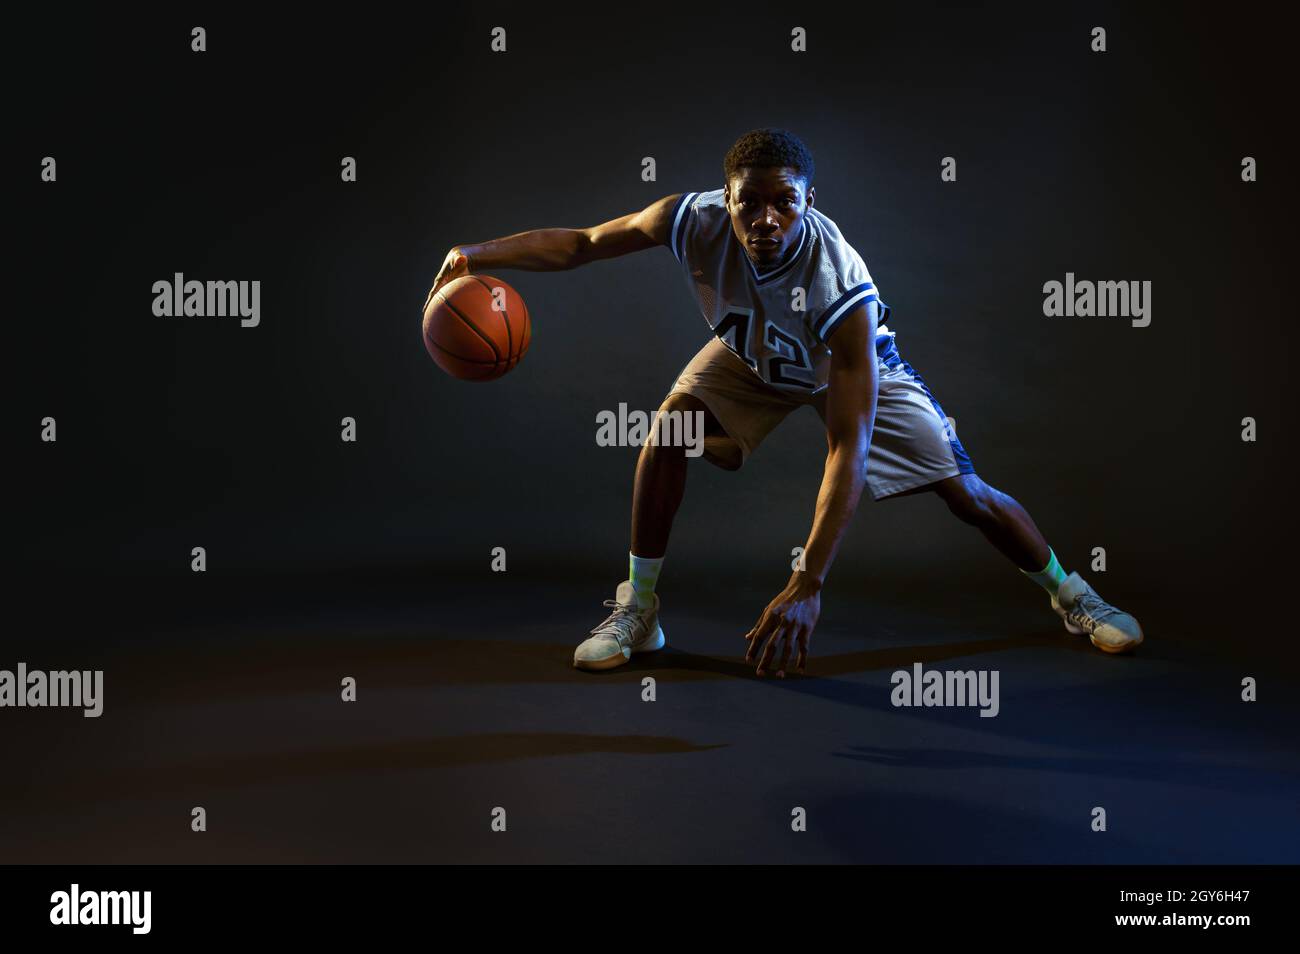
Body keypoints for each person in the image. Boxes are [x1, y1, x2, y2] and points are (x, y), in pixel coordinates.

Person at [424, 128, 1143, 677]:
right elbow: (582, 244)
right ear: (725, 199)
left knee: (968, 495)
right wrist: (475, 254)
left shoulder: (841, 285)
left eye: (784, 202)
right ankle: (639, 610)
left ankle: (1072, 593)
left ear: (808, 203)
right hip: (754, 356)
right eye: (751, 202)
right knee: (667, 434)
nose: (766, 218)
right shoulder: (689, 220)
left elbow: (848, 447)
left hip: (844, 369)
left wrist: (807, 582)